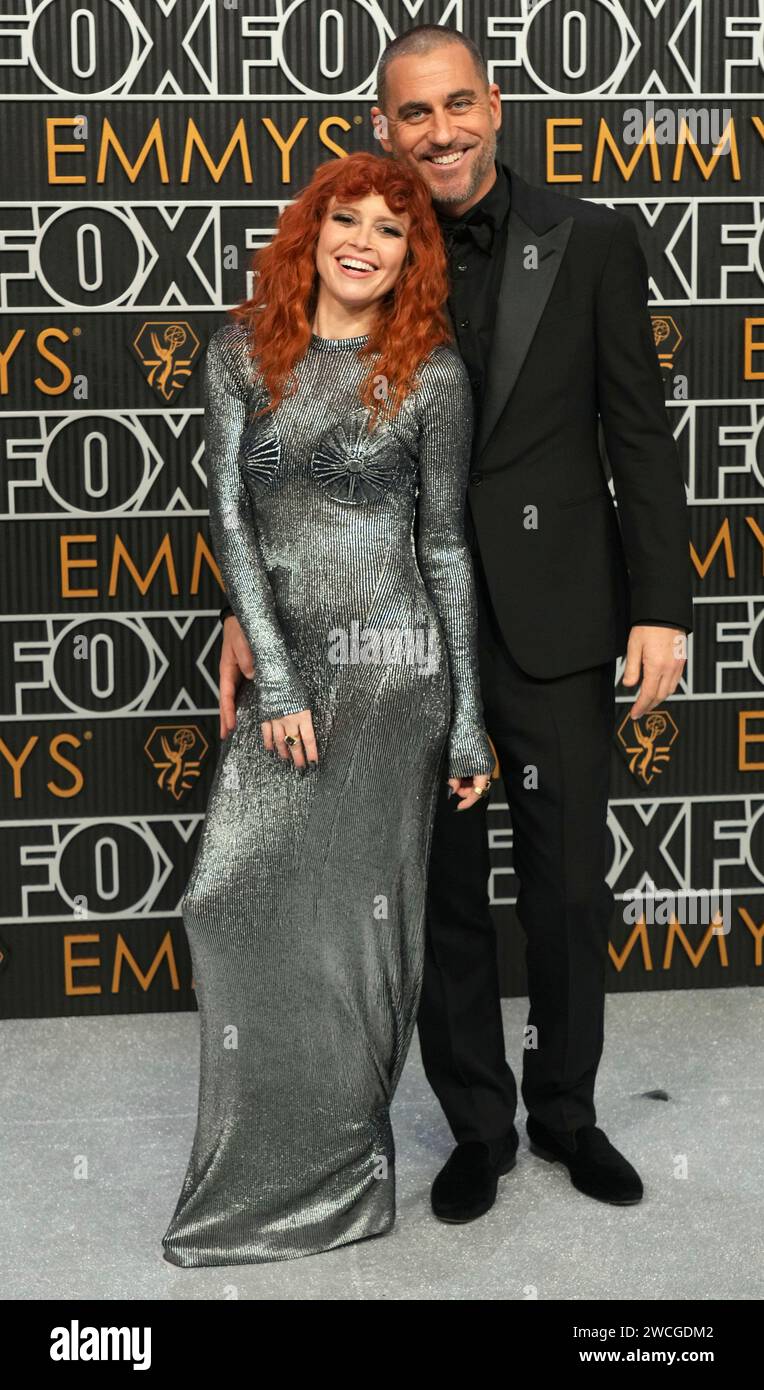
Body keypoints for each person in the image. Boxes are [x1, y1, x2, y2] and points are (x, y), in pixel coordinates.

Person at [219, 27, 693, 1223]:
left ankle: (569, 1113)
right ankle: (475, 1124)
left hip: (559, 613)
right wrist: (251, 607)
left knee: (569, 888)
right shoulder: (361, 236)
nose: (439, 131)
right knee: (435, 891)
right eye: (412, 113)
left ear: (496, 106)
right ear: (384, 127)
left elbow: (635, 431)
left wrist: (664, 608)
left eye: (458, 105)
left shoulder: (585, 239)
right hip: (395, 626)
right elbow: (277, 449)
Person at [161, 150, 494, 1267]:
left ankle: (345, 1179)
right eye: (343, 218)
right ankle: (258, 1176)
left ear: (412, 254)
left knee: (360, 936)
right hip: (292, 668)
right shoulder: (241, 351)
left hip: (396, 672)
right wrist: (283, 678)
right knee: (232, 900)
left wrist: (466, 718)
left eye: (390, 229)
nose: (363, 241)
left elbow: (443, 546)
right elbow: (229, 519)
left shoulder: (430, 373)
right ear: (312, 231)